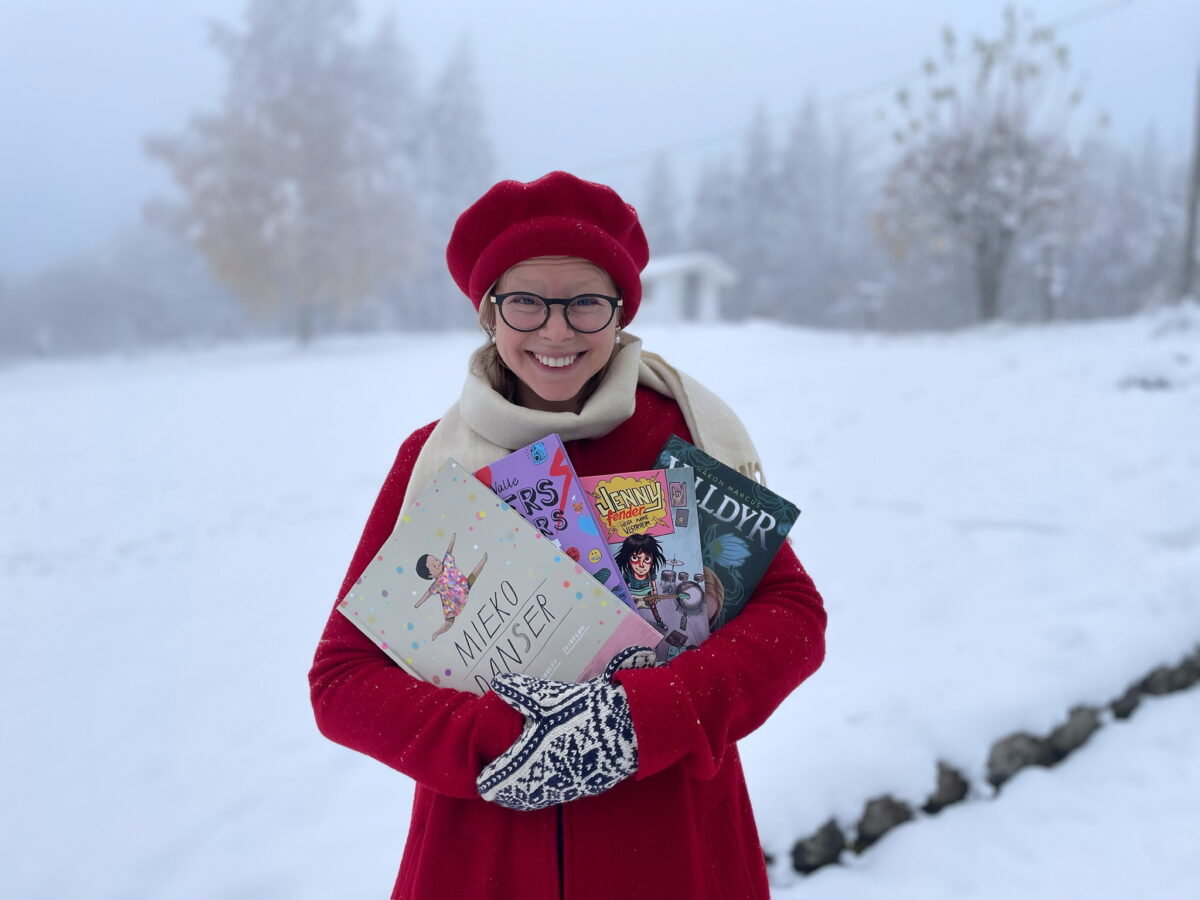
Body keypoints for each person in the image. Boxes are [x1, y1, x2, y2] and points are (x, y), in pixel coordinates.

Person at [308, 171, 827, 900]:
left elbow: (793, 618)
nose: (556, 331)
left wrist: (639, 721)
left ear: (619, 314)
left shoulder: (678, 435)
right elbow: (342, 680)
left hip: (672, 846)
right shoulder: (435, 462)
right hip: (485, 860)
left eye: (585, 302)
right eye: (526, 301)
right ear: (490, 314)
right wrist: (497, 737)